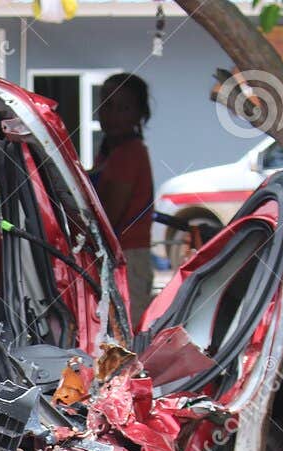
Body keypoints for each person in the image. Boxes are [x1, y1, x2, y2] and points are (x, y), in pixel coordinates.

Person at [91, 73, 156, 323]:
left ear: (139, 114)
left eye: (124, 107)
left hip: (128, 260)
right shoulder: (110, 151)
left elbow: (108, 216)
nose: (113, 114)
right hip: (120, 259)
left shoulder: (128, 154)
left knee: (124, 336)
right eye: (107, 105)